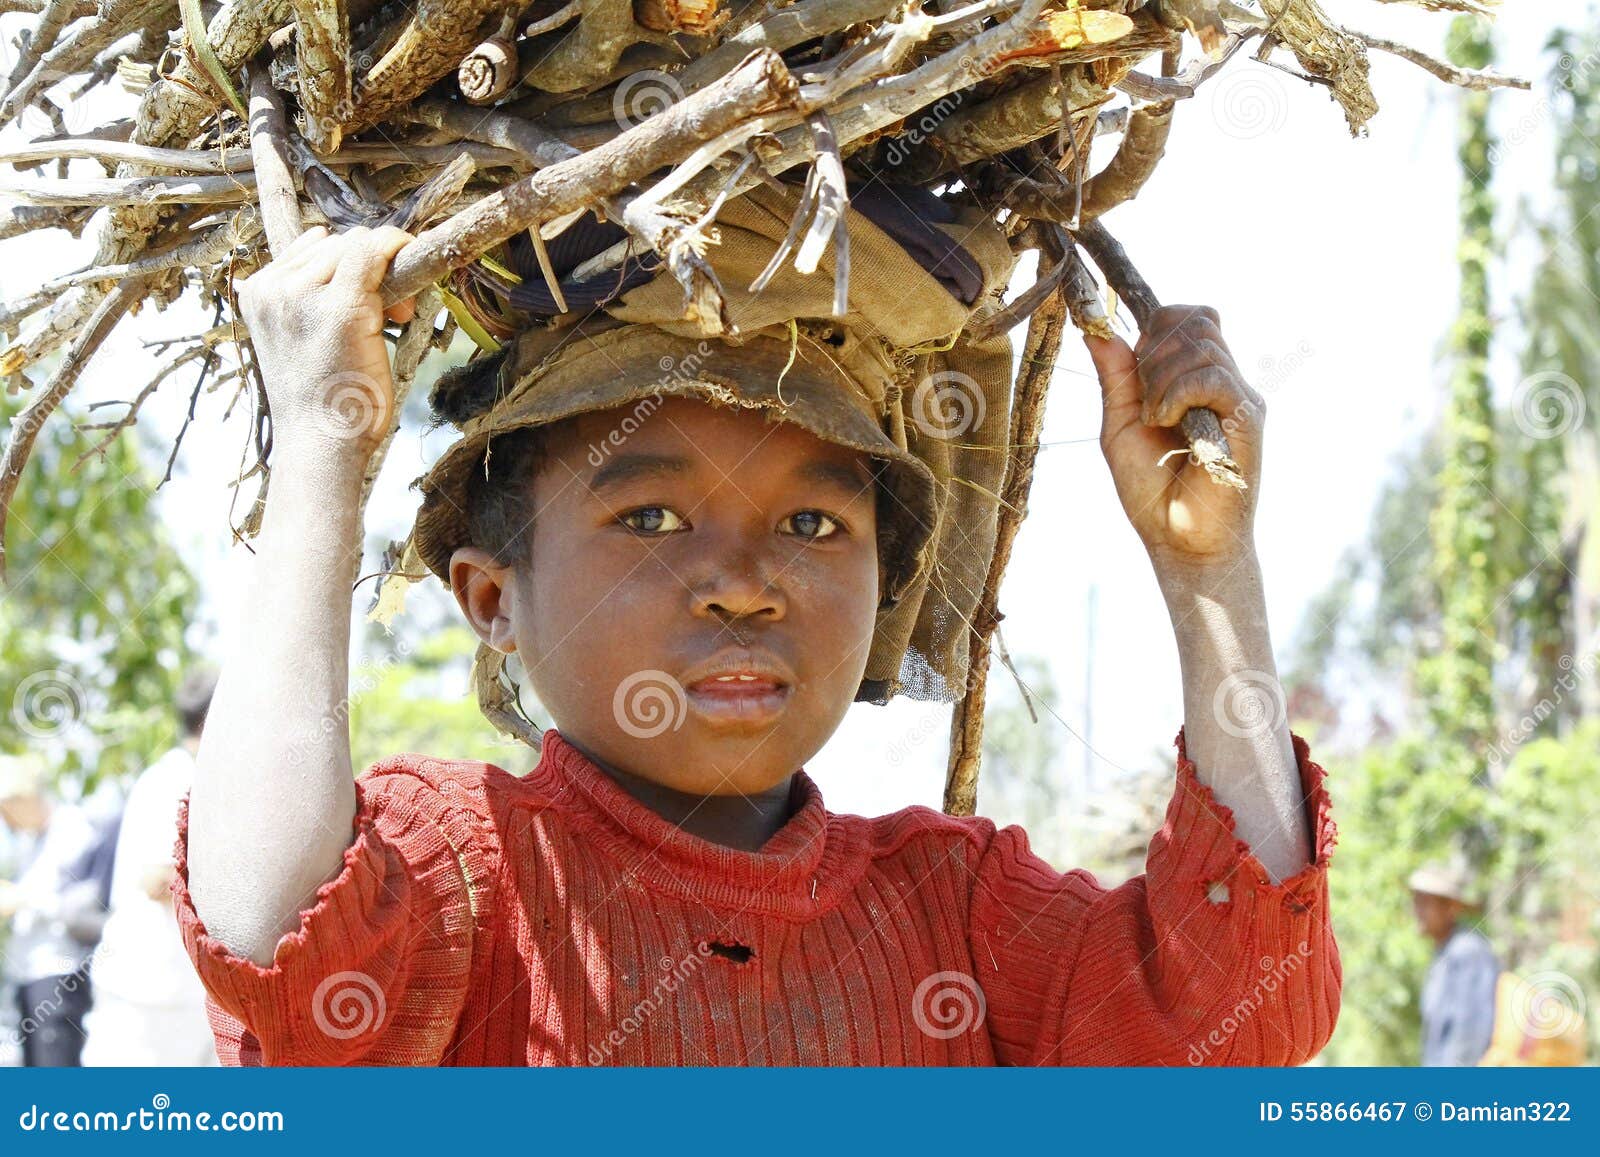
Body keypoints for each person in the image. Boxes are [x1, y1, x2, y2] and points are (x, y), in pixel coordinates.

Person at [173, 185, 1340, 1066]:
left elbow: (1234, 1017)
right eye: (651, 513)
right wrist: (325, 450)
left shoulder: (959, 910)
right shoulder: (465, 872)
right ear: (492, 600)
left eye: (814, 524)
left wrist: (1207, 568)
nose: (741, 582)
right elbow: (269, 926)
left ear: (889, 580)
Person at [81, 669, 219, 1066]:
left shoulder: (197, 777)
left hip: (183, 997)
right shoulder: (173, 780)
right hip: (149, 995)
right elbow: (155, 880)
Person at [0, 755, 103, 1066]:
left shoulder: (72, 828)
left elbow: (82, 903)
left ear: (23, 799)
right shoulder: (30, 841)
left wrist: (20, 897)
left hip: (59, 975)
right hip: (28, 974)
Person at [1409, 861, 1499, 1066]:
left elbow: (1470, 1034)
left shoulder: (1468, 952)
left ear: (1450, 908)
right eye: (1415, 901)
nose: (1416, 910)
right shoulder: (1445, 953)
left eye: (1424, 903)